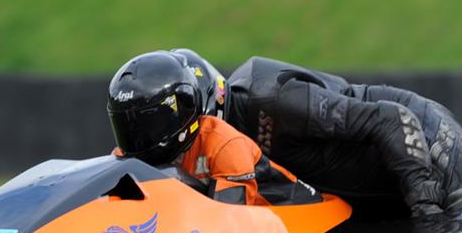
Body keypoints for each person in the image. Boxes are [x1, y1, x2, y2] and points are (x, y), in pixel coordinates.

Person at [164, 50, 462, 216]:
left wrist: (426, 208)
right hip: (370, 192)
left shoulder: (271, 100)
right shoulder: (221, 153)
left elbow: (393, 120)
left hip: (424, 137)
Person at [106, 51, 320, 206]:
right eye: (129, 126)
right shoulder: (126, 156)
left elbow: (229, 219)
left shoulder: (224, 143)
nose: (138, 137)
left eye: (147, 124)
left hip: (300, 227)